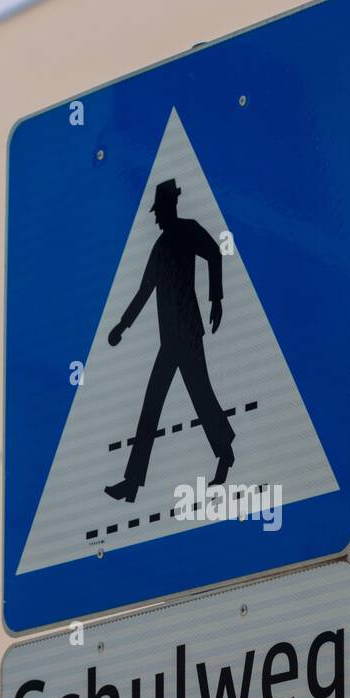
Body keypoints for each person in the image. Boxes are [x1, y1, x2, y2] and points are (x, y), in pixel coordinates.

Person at [104, 179, 235, 503]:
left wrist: (215, 300)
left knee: (201, 396)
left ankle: (225, 453)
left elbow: (214, 254)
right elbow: (144, 291)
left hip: (188, 333)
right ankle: (132, 483)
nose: (156, 218)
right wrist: (122, 326)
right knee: (153, 406)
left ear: (169, 207)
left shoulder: (187, 231)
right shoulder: (160, 247)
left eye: (159, 211)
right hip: (170, 339)